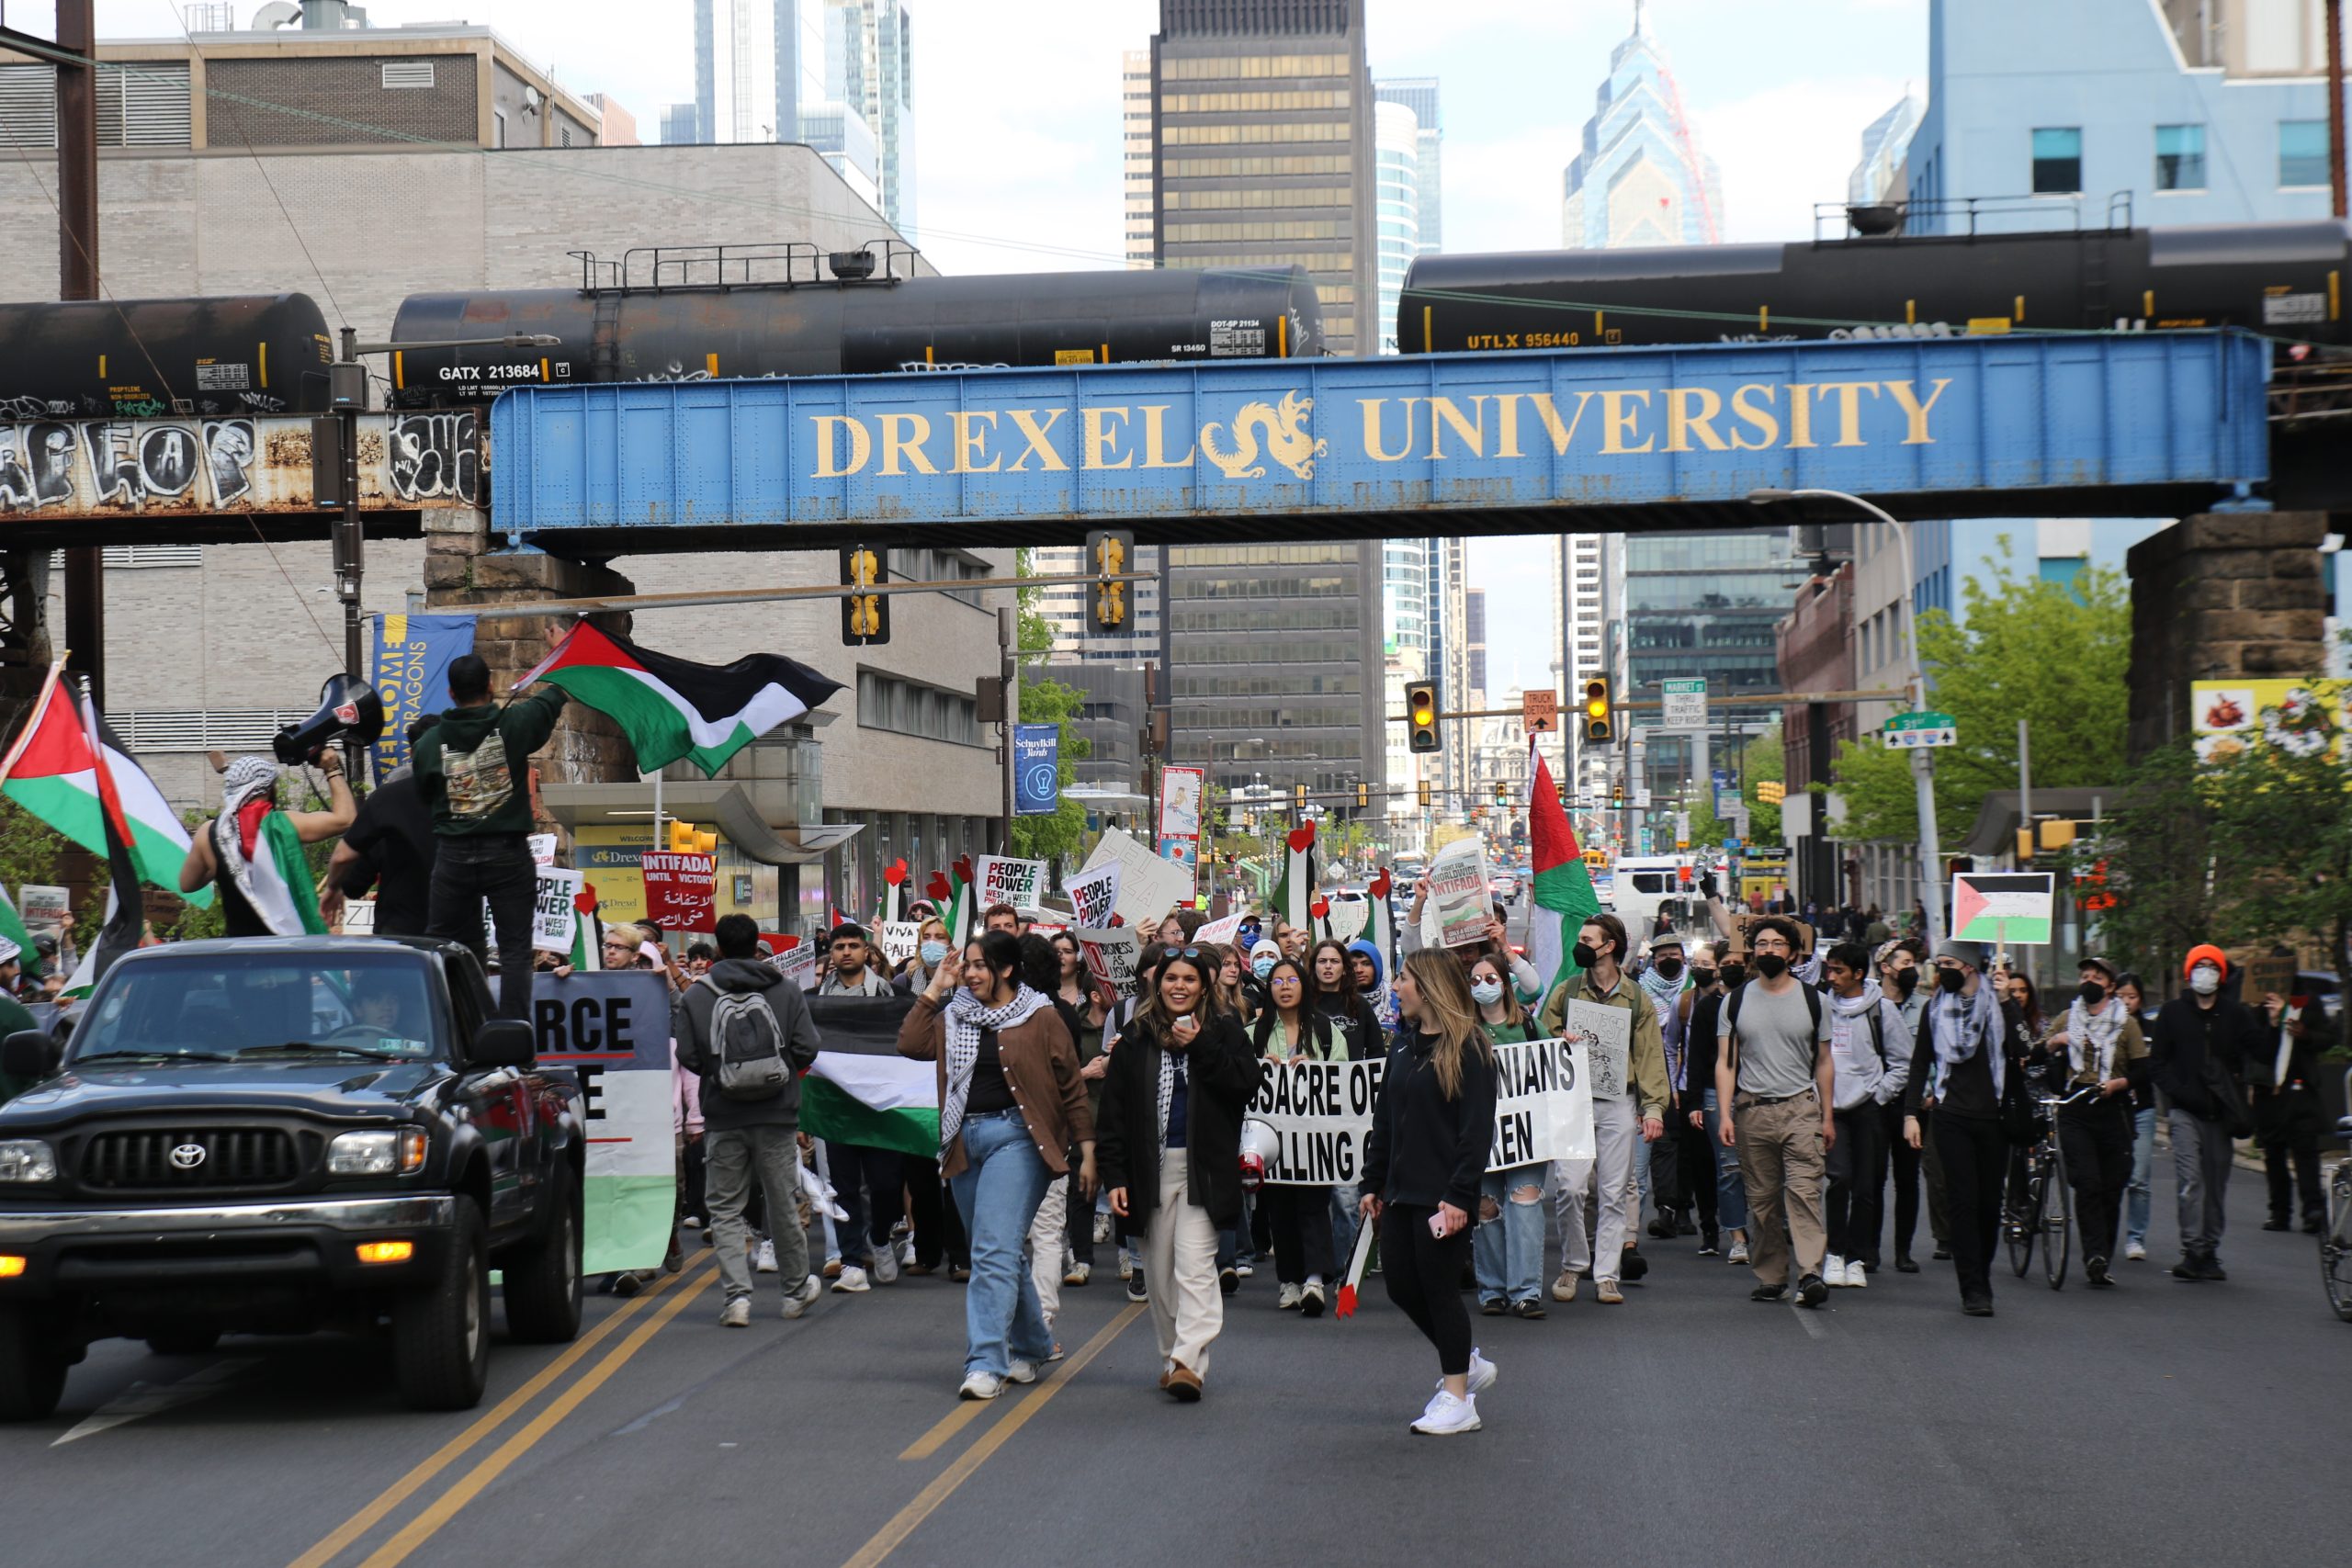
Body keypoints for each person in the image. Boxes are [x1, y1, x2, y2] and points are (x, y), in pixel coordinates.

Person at [899, 930, 1095, 1400]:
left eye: (978, 965)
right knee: (997, 1250)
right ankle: (1034, 1343)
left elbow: (1071, 1086)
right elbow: (909, 1043)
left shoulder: (1041, 1016)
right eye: (965, 965)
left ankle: (986, 1362)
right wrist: (936, 986)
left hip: (1018, 1139)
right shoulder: (954, 1014)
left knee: (990, 1252)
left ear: (1005, 969)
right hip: (962, 1141)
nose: (969, 974)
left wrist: (1087, 1149)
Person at [1096, 947, 1256, 1402]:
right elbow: (1113, 1116)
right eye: (1171, 978)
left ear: (1203, 987)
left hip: (1205, 1171)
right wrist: (1115, 1176)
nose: (1179, 986)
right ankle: (1173, 1358)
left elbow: (1245, 1085)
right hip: (1151, 1171)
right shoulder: (1134, 1038)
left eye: (1189, 979)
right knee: (1161, 1276)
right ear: (1157, 983)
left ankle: (1189, 1361)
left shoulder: (1224, 1031)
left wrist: (1200, 1044)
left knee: (1195, 1267)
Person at [1362, 951, 1499, 1437]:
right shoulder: (1402, 1045)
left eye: (1403, 978)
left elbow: (1475, 1132)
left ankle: (1458, 1398)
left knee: (1440, 1290)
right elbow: (1385, 1119)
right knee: (1401, 1285)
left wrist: (1460, 1196)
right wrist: (1372, 1182)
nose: (1396, 987)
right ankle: (1464, 1360)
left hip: (1443, 1197)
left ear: (1427, 985)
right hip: (1400, 1192)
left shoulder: (1471, 1049)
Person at [676, 913, 824, 1326]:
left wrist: (722, 1071)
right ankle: (795, 1292)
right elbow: (808, 1047)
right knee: (781, 1201)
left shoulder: (698, 995)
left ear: (718, 949)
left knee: (725, 1207)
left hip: (723, 1114)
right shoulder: (786, 989)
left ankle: (737, 1299)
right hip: (776, 1114)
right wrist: (776, 1069)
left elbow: (688, 1055)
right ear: (757, 943)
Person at [415, 649, 569, 1021]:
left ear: (451, 693)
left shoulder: (429, 744)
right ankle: (513, 1031)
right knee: (514, 949)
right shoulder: (514, 724)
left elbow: (425, 794)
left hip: (453, 856)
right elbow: (553, 696)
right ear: (490, 685)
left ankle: (454, 1027)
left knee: (443, 945)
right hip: (507, 854)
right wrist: (558, 651)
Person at [1540, 913, 1666, 1305]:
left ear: (1609, 946)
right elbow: (1542, 1037)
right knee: (1570, 1187)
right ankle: (1573, 1264)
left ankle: (1607, 1275)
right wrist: (1560, 1038)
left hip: (1618, 1102)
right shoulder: (1566, 991)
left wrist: (1653, 1108)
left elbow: (1649, 1055)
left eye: (1587, 939)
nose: (1580, 945)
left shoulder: (1636, 998)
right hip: (1573, 1102)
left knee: (1613, 1192)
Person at [1714, 915, 1833, 1308]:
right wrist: (1726, 1113)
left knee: (1804, 1192)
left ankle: (1811, 1272)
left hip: (1801, 1109)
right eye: (1761, 944)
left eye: (1777, 944)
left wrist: (1827, 1116)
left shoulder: (1816, 1001)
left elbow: (1824, 1062)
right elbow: (1726, 1063)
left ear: (1794, 953)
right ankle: (1771, 1276)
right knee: (1763, 1199)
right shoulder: (1734, 1001)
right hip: (1753, 1111)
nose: (1768, 950)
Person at [1901, 941, 2019, 1316]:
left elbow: (2023, 1048)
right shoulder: (1935, 1008)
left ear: (1968, 966)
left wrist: (2007, 1002)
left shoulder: (1999, 1004)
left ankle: (1981, 1272)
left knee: (1989, 1205)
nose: (1942, 971)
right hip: (1950, 1117)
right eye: (1938, 964)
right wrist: (1910, 1114)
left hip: (1994, 1119)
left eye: (1949, 963)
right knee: (1962, 1202)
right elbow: (1920, 1062)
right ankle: (1973, 1287)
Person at [2146, 943, 2257, 1282]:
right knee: (2191, 1179)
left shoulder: (2235, 1014)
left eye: (2212, 966)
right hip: (2185, 1112)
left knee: (2215, 1184)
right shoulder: (2172, 1013)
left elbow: (2260, 1050)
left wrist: (2275, 1018)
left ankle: (2209, 1249)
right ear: (2189, 972)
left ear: (2220, 975)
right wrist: (2178, 1092)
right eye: (2200, 965)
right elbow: (2158, 1062)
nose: (2205, 971)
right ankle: (2192, 1248)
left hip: (2221, 1115)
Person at [2035, 954, 2146, 1289]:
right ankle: (2093, 1254)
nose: (2089, 982)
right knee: (2087, 1182)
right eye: (2085, 976)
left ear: (2110, 987)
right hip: (2076, 1107)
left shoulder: (2126, 1024)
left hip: (2113, 1107)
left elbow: (2143, 1071)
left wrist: (2119, 1084)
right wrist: (2056, 1041)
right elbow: (2035, 1053)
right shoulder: (2068, 1018)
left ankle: (2103, 1256)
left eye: (2097, 978)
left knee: (2112, 1187)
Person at [809, 922, 903, 1292]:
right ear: (831, 954)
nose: (846, 951)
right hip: (837, 1110)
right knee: (844, 1188)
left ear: (866, 951)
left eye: (853, 945)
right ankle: (851, 1261)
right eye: (839, 946)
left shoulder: (890, 996)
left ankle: (879, 1238)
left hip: (880, 1108)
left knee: (886, 1185)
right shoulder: (816, 1001)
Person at [179, 753, 356, 935]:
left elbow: (187, 884)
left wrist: (224, 862)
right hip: (289, 943)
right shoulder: (283, 824)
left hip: (238, 944)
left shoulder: (210, 833)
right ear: (269, 789)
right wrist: (332, 769)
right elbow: (346, 819)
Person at [1250, 956, 1339, 1315]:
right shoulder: (1255, 1032)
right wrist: (1260, 1069)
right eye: (1277, 982)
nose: (1285, 987)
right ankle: (1288, 1280)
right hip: (1272, 1139)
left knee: (1314, 1204)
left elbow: (1343, 1075)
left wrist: (1316, 1069)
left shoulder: (1325, 1030)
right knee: (1280, 1207)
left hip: (1315, 1137)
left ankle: (1314, 1279)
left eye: (1292, 980)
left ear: (1304, 985)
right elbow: (1239, 1077)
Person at [1819, 942, 1908, 1289]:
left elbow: (1902, 1062)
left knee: (1866, 1186)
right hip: (1833, 1109)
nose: (1832, 976)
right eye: (1829, 969)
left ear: (1858, 973)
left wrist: (1880, 1096)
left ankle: (1857, 1257)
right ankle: (1834, 1253)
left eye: (1839, 970)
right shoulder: (1822, 1006)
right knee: (1839, 1179)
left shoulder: (1882, 1009)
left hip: (1869, 1109)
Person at [1468, 953, 1544, 1318]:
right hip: (1480, 1136)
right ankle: (1493, 1290)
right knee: (1486, 1209)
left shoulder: (1529, 1026)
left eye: (1490, 978)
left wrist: (1569, 1042)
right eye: (1475, 980)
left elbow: (1557, 1064)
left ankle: (1526, 1291)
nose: (1482, 985)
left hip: (1526, 1135)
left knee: (1525, 1206)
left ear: (1505, 983)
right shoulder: (1464, 1033)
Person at [321, 716, 441, 936]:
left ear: (411, 753)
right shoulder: (470, 797)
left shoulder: (387, 801)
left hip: (401, 935)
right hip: (460, 933)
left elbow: (352, 877)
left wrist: (335, 887)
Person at [1876, 938, 1934, 1272]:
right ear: (1886, 967)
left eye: (1915, 963)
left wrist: (1930, 1090)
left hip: (1912, 1104)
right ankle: (1868, 1249)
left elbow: (1933, 1053)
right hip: (1874, 1101)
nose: (1912, 969)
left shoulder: (1925, 1007)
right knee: (1871, 1178)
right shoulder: (1868, 1003)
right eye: (1906, 963)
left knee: (1908, 1179)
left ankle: (1903, 1250)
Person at [2255, 988, 2329, 1235]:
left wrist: (2305, 1034)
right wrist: (2273, 1023)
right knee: (2274, 1153)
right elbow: (2256, 1050)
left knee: (2305, 1152)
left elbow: (2329, 1037)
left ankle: (2313, 1210)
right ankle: (2279, 1212)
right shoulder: (2257, 1005)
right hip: (2270, 1092)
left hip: (2301, 1089)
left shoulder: (2307, 1001)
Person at [1641, 935, 1693, 1239]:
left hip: (1688, 1075)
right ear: (1654, 961)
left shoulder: (1693, 989)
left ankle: (1685, 1206)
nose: (1668, 959)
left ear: (1683, 957)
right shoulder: (1641, 990)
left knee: (1689, 1146)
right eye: (1662, 956)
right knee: (1664, 1143)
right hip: (1655, 1073)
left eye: (1673, 954)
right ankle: (1666, 1209)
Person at [2111, 972, 2156, 1262]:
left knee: (2138, 1178)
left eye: (2132, 997)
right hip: (2113, 1109)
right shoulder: (2105, 1026)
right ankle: (2105, 1232)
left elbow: (2155, 1066)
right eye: (2120, 996)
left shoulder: (2150, 1029)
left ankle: (2135, 1237)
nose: (2126, 1002)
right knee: (2113, 1177)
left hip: (2142, 1109)